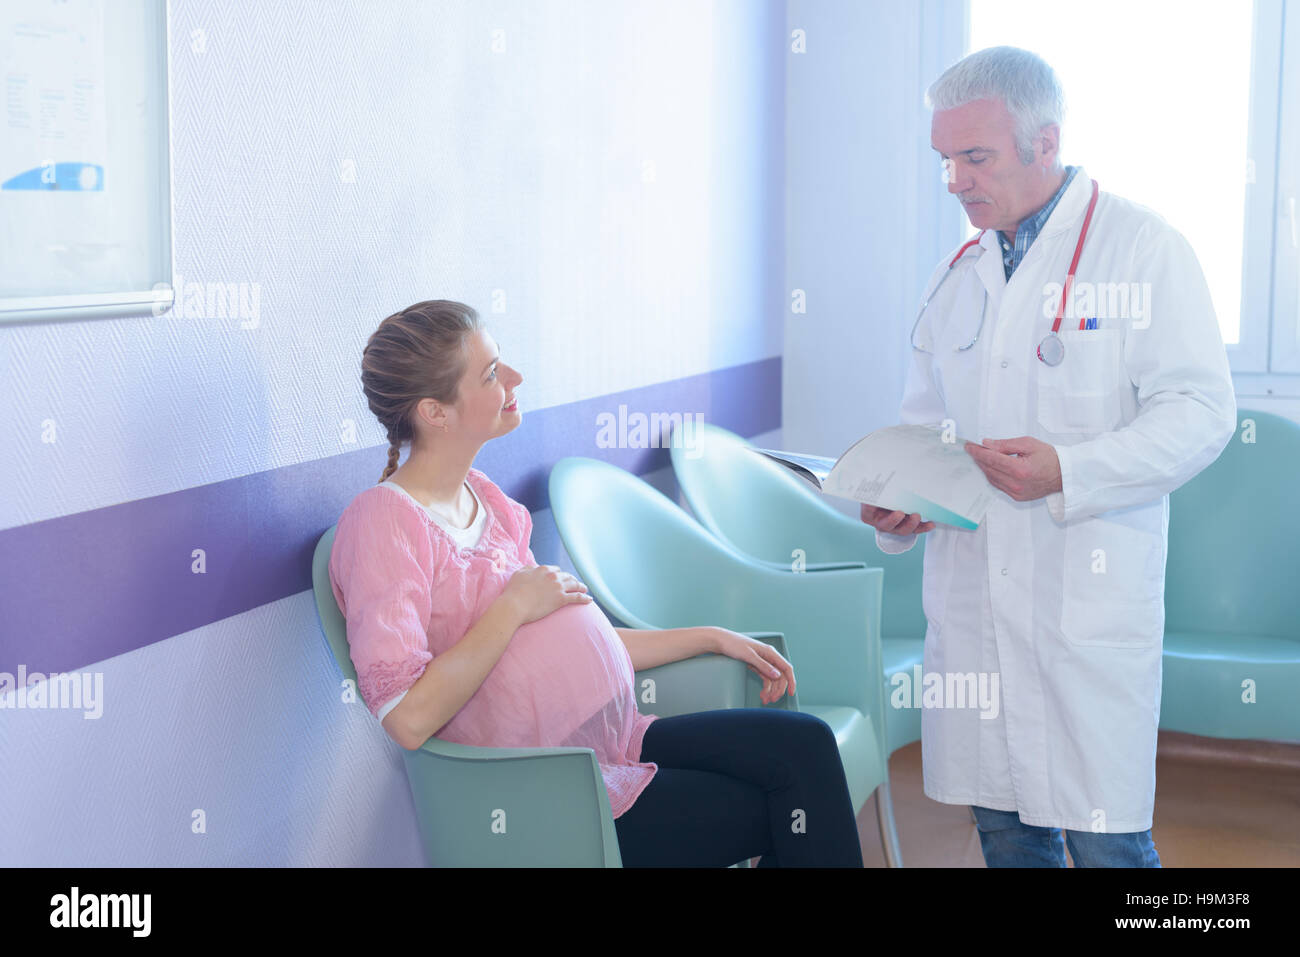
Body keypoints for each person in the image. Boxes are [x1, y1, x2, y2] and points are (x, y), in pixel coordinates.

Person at [859, 46, 1236, 867]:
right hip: (976, 606)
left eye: (975, 156)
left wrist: (1071, 470)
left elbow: (1203, 412)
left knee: (1109, 843)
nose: (955, 179)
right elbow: (925, 430)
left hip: (1084, 602)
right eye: (946, 159)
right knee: (1005, 832)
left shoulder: (1141, 248)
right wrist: (905, 502)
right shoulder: (953, 276)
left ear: (1045, 141)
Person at [328, 299, 864, 867]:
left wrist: (710, 636)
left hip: (613, 744)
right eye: (490, 374)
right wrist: (511, 608)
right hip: (549, 792)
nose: (514, 379)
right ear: (435, 412)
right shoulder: (384, 524)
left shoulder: (486, 500)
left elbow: (572, 637)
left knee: (805, 745)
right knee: (788, 808)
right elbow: (407, 718)